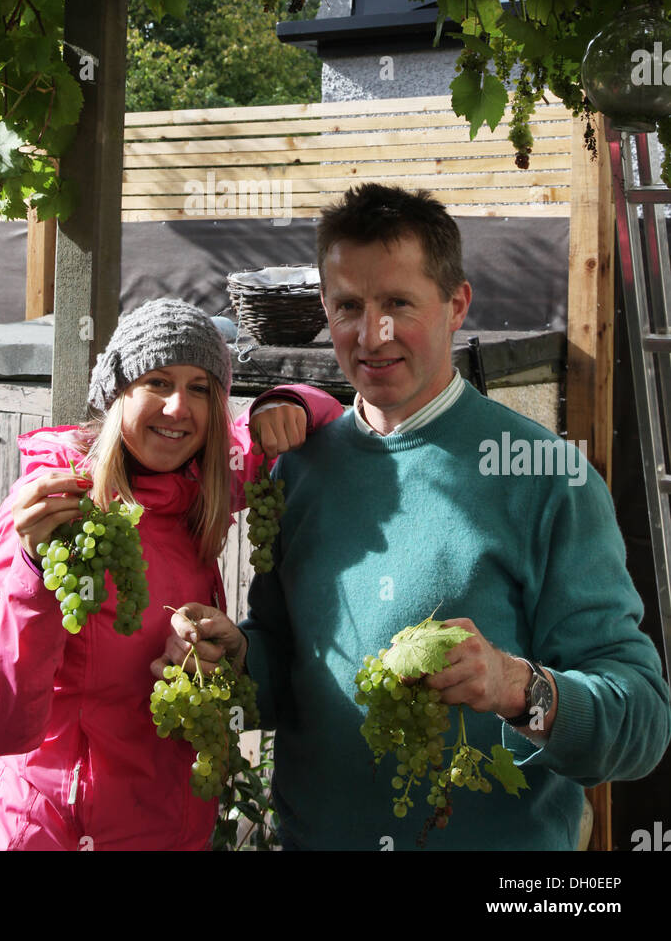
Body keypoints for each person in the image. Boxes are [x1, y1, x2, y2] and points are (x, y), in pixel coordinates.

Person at [158, 184, 671, 851]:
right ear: (324, 311)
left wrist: (521, 687)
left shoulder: (545, 476)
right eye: (349, 307)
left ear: (457, 304)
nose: (373, 335)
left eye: (398, 303)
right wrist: (239, 658)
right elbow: (284, 660)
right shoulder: (300, 469)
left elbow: (642, 723)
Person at [0, 296, 342, 851]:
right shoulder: (57, 511)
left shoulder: (199, 486)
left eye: (200, 388)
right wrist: (32, 572)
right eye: (157, 382)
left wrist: (284, 402)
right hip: (53, 835)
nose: (178, 407)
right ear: (117, 394)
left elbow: (325, 412)